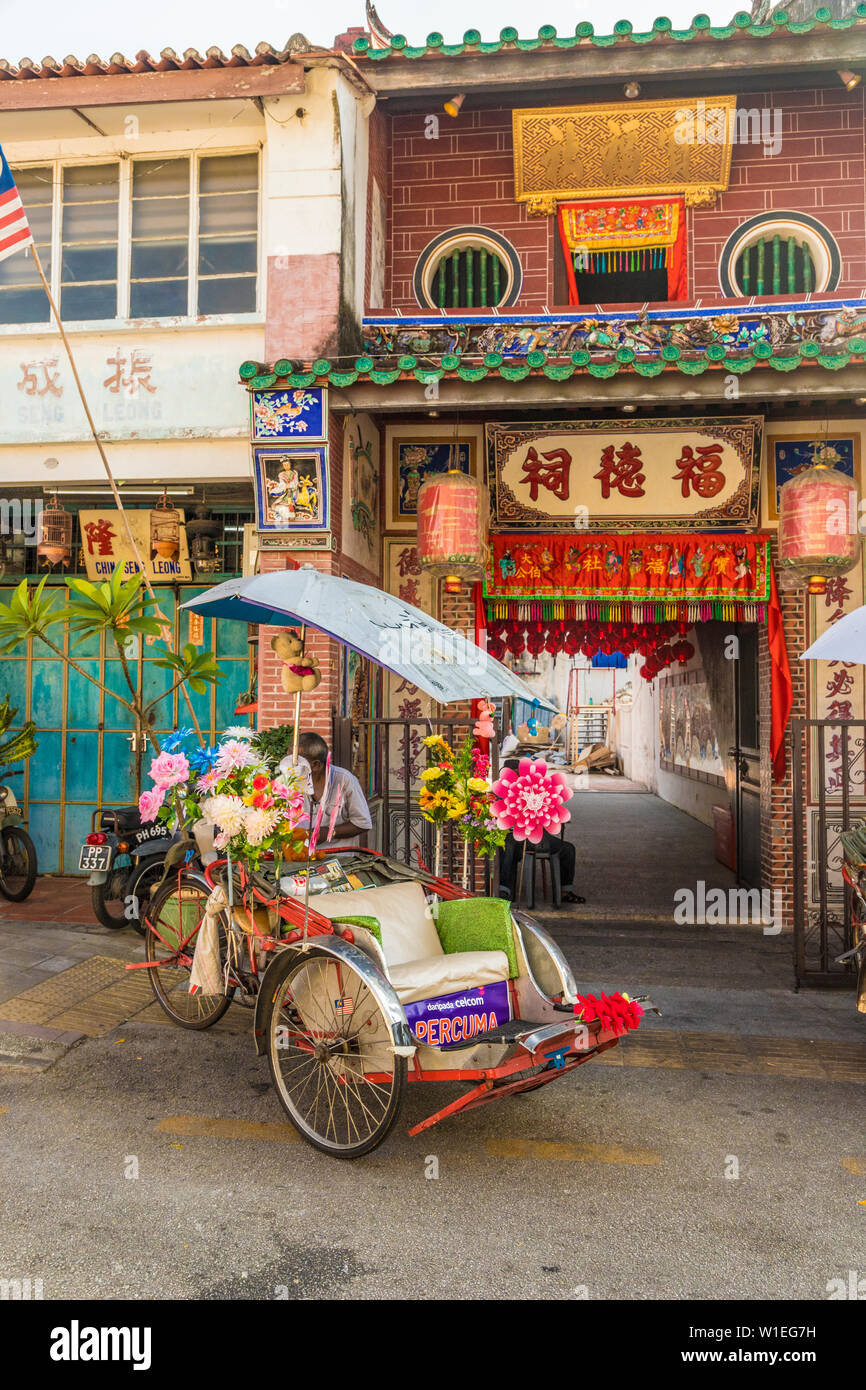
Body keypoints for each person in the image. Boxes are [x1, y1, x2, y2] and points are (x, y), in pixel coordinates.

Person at [287, 732, 373, 846]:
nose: (291, 766)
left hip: (337, 858)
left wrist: (329, 832)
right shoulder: (289, 782)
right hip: (297, 857)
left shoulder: (345, 780)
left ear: (316, 765)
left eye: (297, 762)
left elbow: (363, 823)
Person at [498, 829, 584, 906]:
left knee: (568, 849)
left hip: (537, 835)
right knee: (505, 846)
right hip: (511, 835)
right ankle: (503, 890)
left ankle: (565, 892)